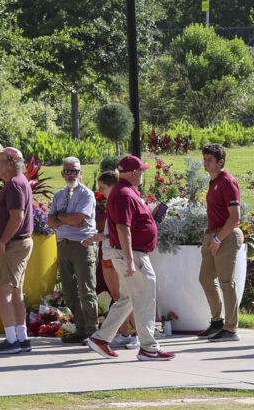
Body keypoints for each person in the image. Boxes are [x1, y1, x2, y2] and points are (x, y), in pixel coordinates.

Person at [86, 155, 175, 361]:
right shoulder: (125, 193)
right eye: (141, 171)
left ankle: (101, 338)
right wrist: (130, 261)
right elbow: (123, 229)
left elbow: (128, 226)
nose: (143, 174)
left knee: (127, 299)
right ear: (134, 172)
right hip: (133, 253)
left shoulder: (126, 192)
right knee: (144, 298)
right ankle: (148, 348)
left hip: (129, 252)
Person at [0, 147, 35, 355]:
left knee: (3, 291)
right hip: (18, 243)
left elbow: (17, 217)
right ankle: (21, 339)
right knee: (15, 292)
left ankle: (12, 340)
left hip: (13, 244)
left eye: (0, 161)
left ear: (12, 163)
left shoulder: (15, 184)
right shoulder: (17, 183)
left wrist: (3, 241)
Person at [49, 156, 98, 344]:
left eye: (75, 171)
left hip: (83, 246)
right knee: (69, 291)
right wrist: (68, 218)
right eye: (68, 171)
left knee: (86, 290)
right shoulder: (59, 195)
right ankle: (81, 329)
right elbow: (50, 221)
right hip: (63, 245)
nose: (72, 174)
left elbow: (79, 220)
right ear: (62, 173)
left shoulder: (87, 194)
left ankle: (93, 332)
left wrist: (61, 216)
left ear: (81, 173)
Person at [198, 143, 243, 343]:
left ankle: (231, 329)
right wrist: (210, 236)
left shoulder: (227, 182)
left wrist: (218, 238)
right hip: (213, 236)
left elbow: (235, 217)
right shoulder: (213, 181)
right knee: (205, 279)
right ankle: (217, 321)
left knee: (226, 282)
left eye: (210, 159)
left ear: (221, 161)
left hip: (226, 236)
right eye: (205, 158)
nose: (206, 162)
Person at [91, 171, 138, 350]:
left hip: (119, 254)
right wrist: (99, 238)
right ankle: (124, 334)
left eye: (103, 188)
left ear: (113, 185)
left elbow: (124, 229)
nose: (101, 192)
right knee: (118, 298)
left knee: (128, 298)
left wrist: (100, 237)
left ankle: (139, 335)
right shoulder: (111, 202)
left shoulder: (121, 199)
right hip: (107, 254)